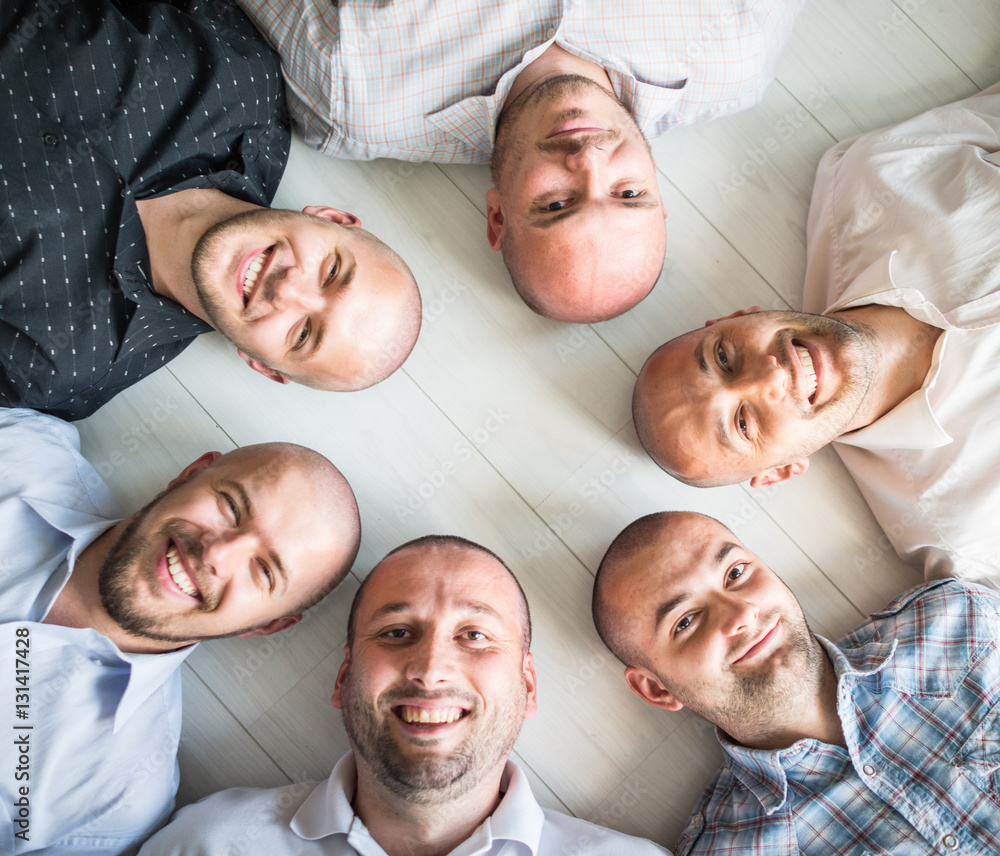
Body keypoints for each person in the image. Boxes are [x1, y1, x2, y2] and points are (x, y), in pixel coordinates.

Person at [632, 83, 1000, 588]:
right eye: (743, 423)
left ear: (736, 317)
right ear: (782, 469)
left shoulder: (875, 178)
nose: (769, 373)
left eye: (723, 357)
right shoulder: (964, 531)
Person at [235, 0, 803, 324]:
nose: (588, 160)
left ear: (498, 216)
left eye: (558, 203)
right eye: (628, 193)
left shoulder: (352, 91)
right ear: (657, 190)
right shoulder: (735, 46)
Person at [0, 0, 421, 421]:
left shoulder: (54, 367)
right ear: (332, 219)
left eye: (304, 333)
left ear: (263, 365)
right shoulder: (242, 74)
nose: (288, 289)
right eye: (331, 272)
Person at [140, 535, 670, 855]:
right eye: (396, 633)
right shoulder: (208, 844)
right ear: (343, 677)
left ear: (527, 687)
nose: (431, 670)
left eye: (475, 636)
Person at [0, 407, 361, 853]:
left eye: (264, 571)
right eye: (230, 506)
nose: (219, 554)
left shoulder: (117, 798)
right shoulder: (17, 449)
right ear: (190, 473)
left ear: (267, 626)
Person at [592, 510, 1000, 854]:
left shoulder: (959, 622)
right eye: (685, 621)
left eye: (735, 573)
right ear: (657, 689)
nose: (743, 615)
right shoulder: (730, 847)